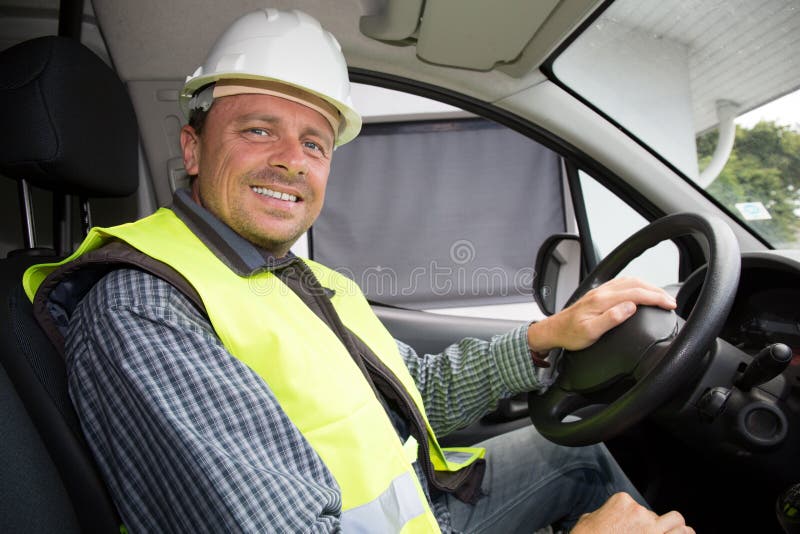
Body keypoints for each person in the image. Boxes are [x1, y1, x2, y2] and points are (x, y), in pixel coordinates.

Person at [24, 8, 693, 534]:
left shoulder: (299, 279)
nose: (292, 160)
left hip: (426, 515)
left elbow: (411, 392)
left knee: (577, 453)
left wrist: (546, 336)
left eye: (314, 142)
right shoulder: (147, 308)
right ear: (193, 149)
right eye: (259, 130)